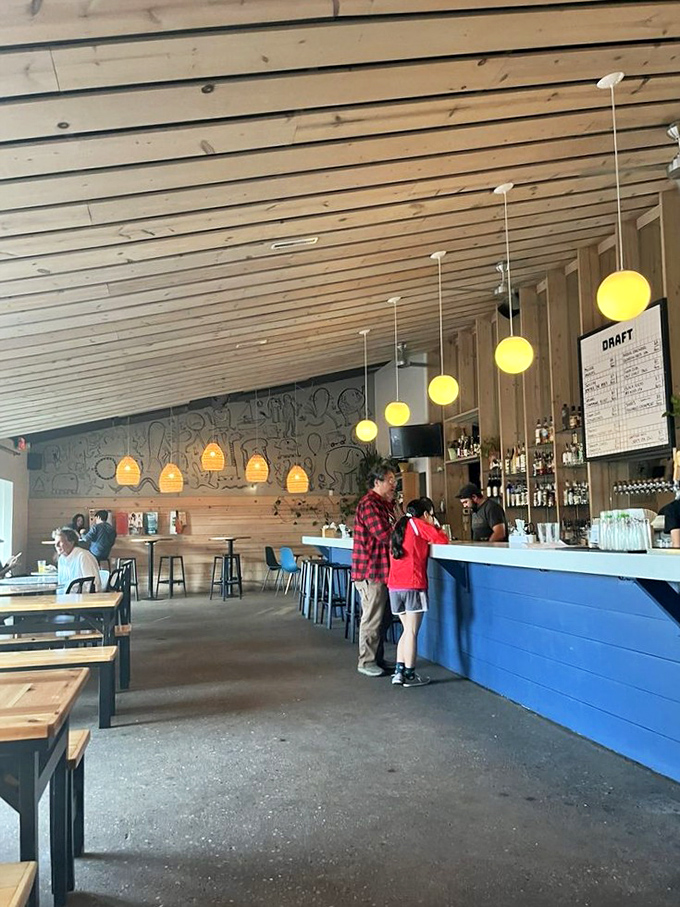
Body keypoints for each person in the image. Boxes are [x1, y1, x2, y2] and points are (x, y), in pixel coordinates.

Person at [388, 497, 449, 688]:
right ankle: (410, 674)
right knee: (412, 632)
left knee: (406, 630)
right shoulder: (417, 524)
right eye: (430, 514)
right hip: (413, 584)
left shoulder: (400, 525)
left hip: (394, 586)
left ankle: (398, 673)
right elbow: (442, 540)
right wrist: (435, 525)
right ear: (425, 514)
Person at [351, 461, 399, 677]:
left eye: (394, 480)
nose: (394, 484)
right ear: (377, 482)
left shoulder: (385, 504)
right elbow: (385, 535)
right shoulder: (370, 504)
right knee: (372, 618)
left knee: (384, 617)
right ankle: (366, 661)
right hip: (371, 571)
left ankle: (377, 658)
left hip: (383, 571)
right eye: (390, 481)